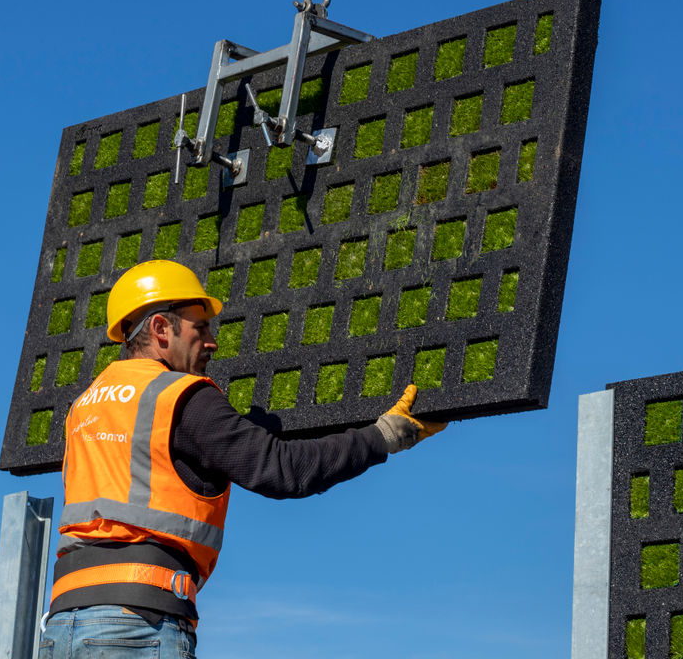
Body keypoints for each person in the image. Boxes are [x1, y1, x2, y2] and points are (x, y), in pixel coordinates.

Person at [39, 260, 445, 658]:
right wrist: (384, 437)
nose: (212, 341)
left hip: (61, 627)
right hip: (137, 626)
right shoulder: (179, 395)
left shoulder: (84, 406)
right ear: (162, 329)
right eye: (200, 327)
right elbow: (285, 471)